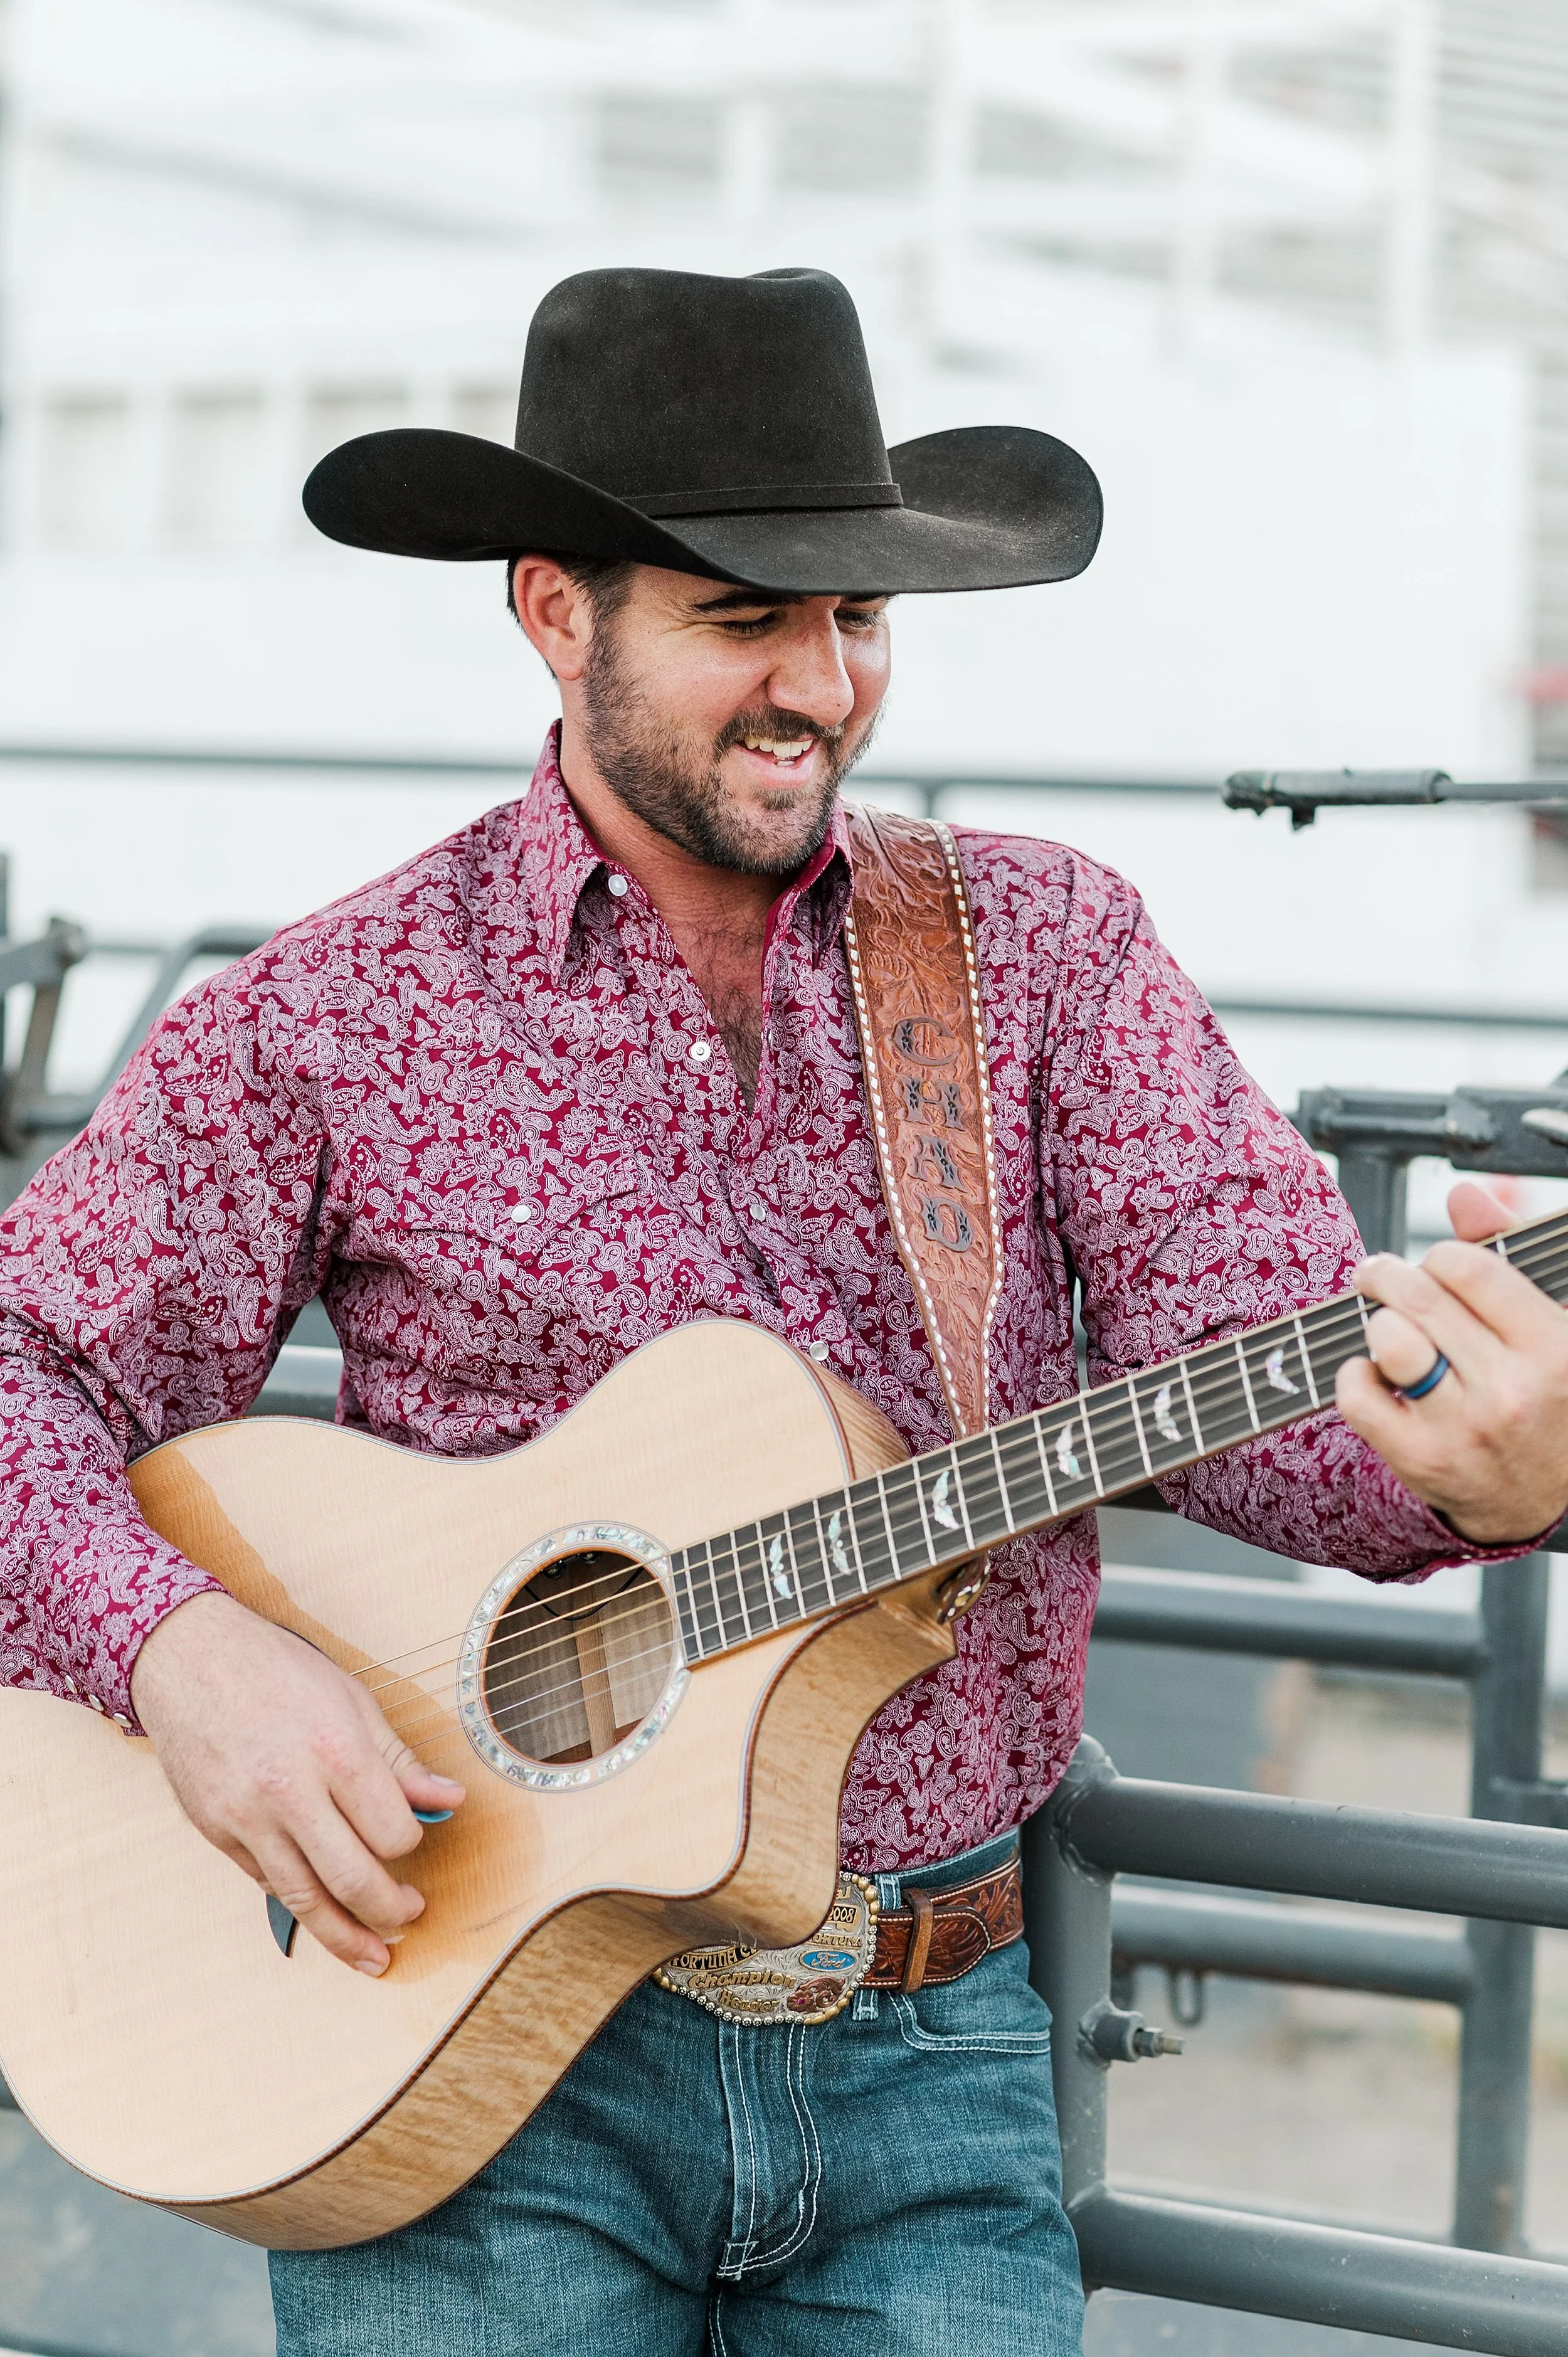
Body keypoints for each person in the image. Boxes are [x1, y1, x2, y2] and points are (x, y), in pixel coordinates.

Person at [1, 267, 1565, 2357]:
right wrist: (181, 1649)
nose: (821, 686)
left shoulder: (1041, 955)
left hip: (929, 2063)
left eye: (859, 619)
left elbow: (1275, 1390)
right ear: (555, 611)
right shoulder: (332, 1013)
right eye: (745, 617)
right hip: (467, 2058)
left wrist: (1498, 1468)